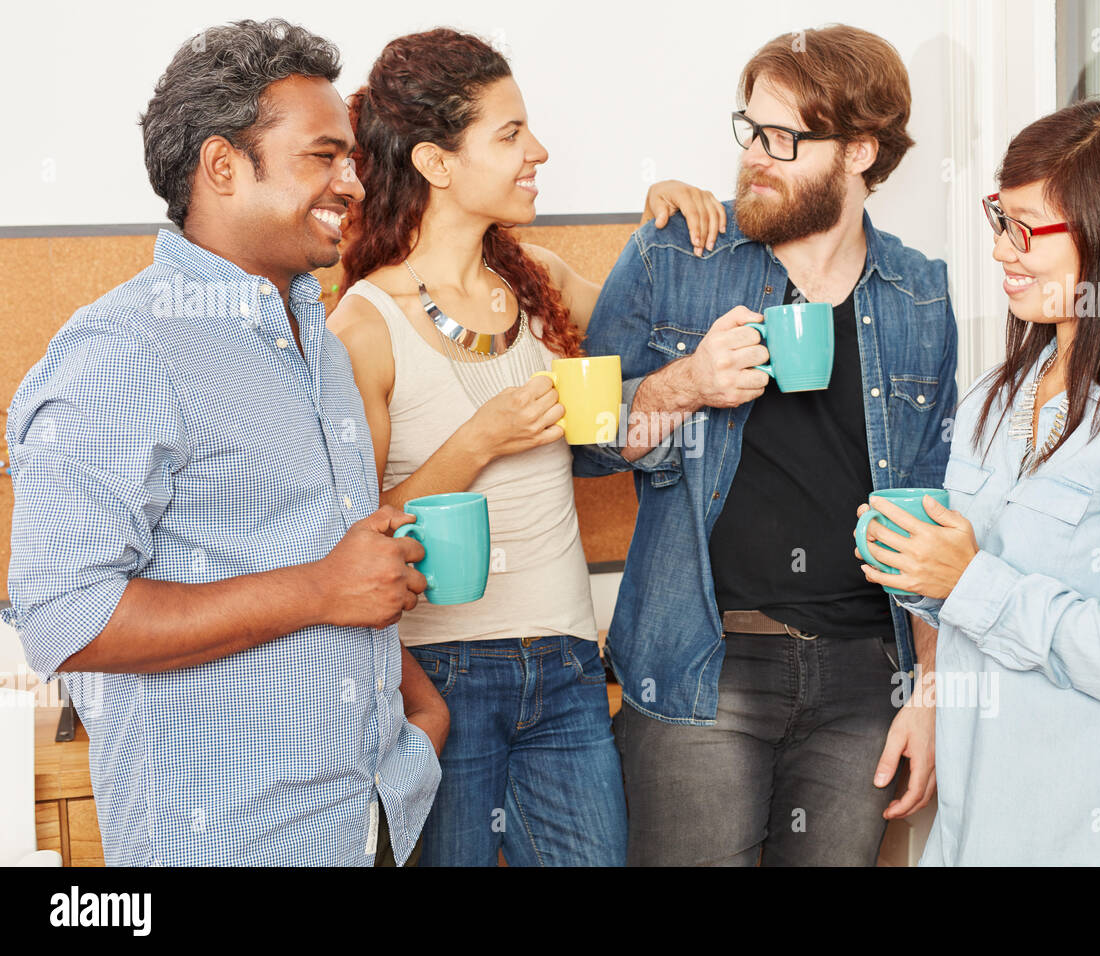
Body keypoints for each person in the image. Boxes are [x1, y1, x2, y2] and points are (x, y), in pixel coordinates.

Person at [4, 19, 446, 866]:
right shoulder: (124, 349)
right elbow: (65, 617)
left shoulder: (315, 337)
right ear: (221, 167)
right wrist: (320, 588)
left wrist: (419, 722)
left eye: (350, 158)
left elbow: (348, 571)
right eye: (323, 157)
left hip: (376, 819)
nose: (354, 183)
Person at [326, 27, 725, 867]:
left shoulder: (535, 283)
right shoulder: (364, 324)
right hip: (439, 673)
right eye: (509, 135)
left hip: (571, 664)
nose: (537, 150)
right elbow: (354, 538)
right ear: (436, 163)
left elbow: (657, 336)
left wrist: (664, 218)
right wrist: (481, 440)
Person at [571, 25, 957, 866]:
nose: (756, 155)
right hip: (701, 665)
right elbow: (586, 440)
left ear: (859, 151)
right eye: (749, 129)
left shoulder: (923, 294)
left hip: (865, 673)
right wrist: (686, 384)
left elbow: (932, 511)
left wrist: (927, 696)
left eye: (785, 138)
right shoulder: (676, 255)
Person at [857, 100, 1100, 865]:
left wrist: (969, 579)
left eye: (1026, 228)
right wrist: (918, 572)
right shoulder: (991, 398)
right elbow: (970, 597)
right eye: (999, 218)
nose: (1002, 249)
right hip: (980, 829)